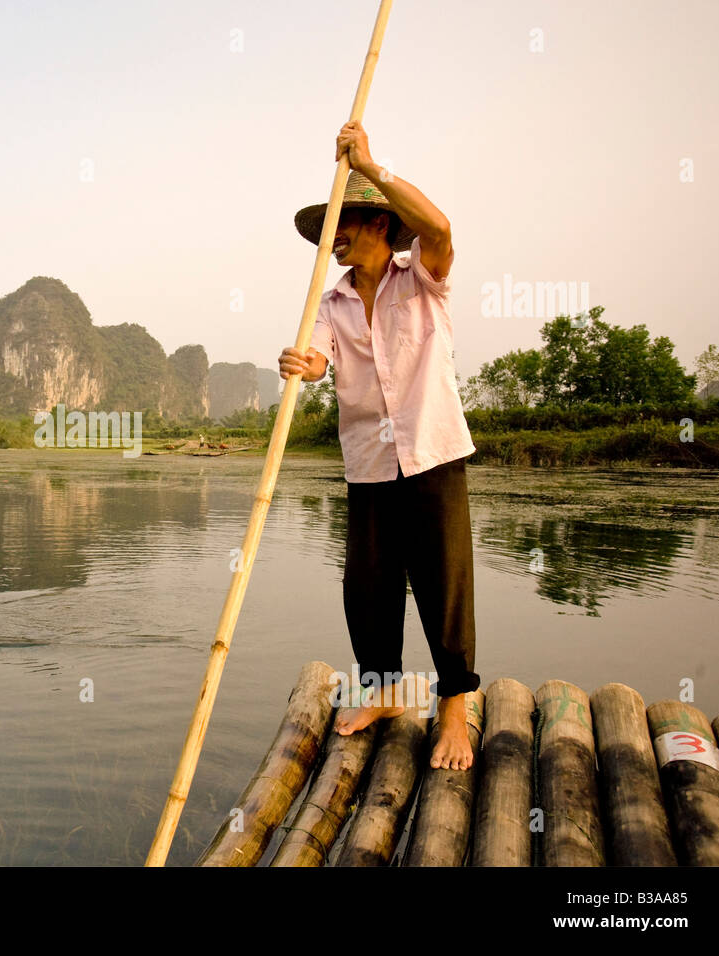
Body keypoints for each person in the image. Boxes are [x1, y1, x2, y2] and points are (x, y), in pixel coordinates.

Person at [279, 121, 480, 770]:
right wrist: (303, 364)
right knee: (366, 587)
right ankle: (387, 689)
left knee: (443, 582)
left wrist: (371, 163)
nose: (335, 238)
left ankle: (456, 704)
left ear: (379, 225)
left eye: (346, 224)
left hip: (432, 450)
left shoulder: (422, 276)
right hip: (368, 461)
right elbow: (318, 357)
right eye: (331, 228)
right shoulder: (329, 300)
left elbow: (441, 228)